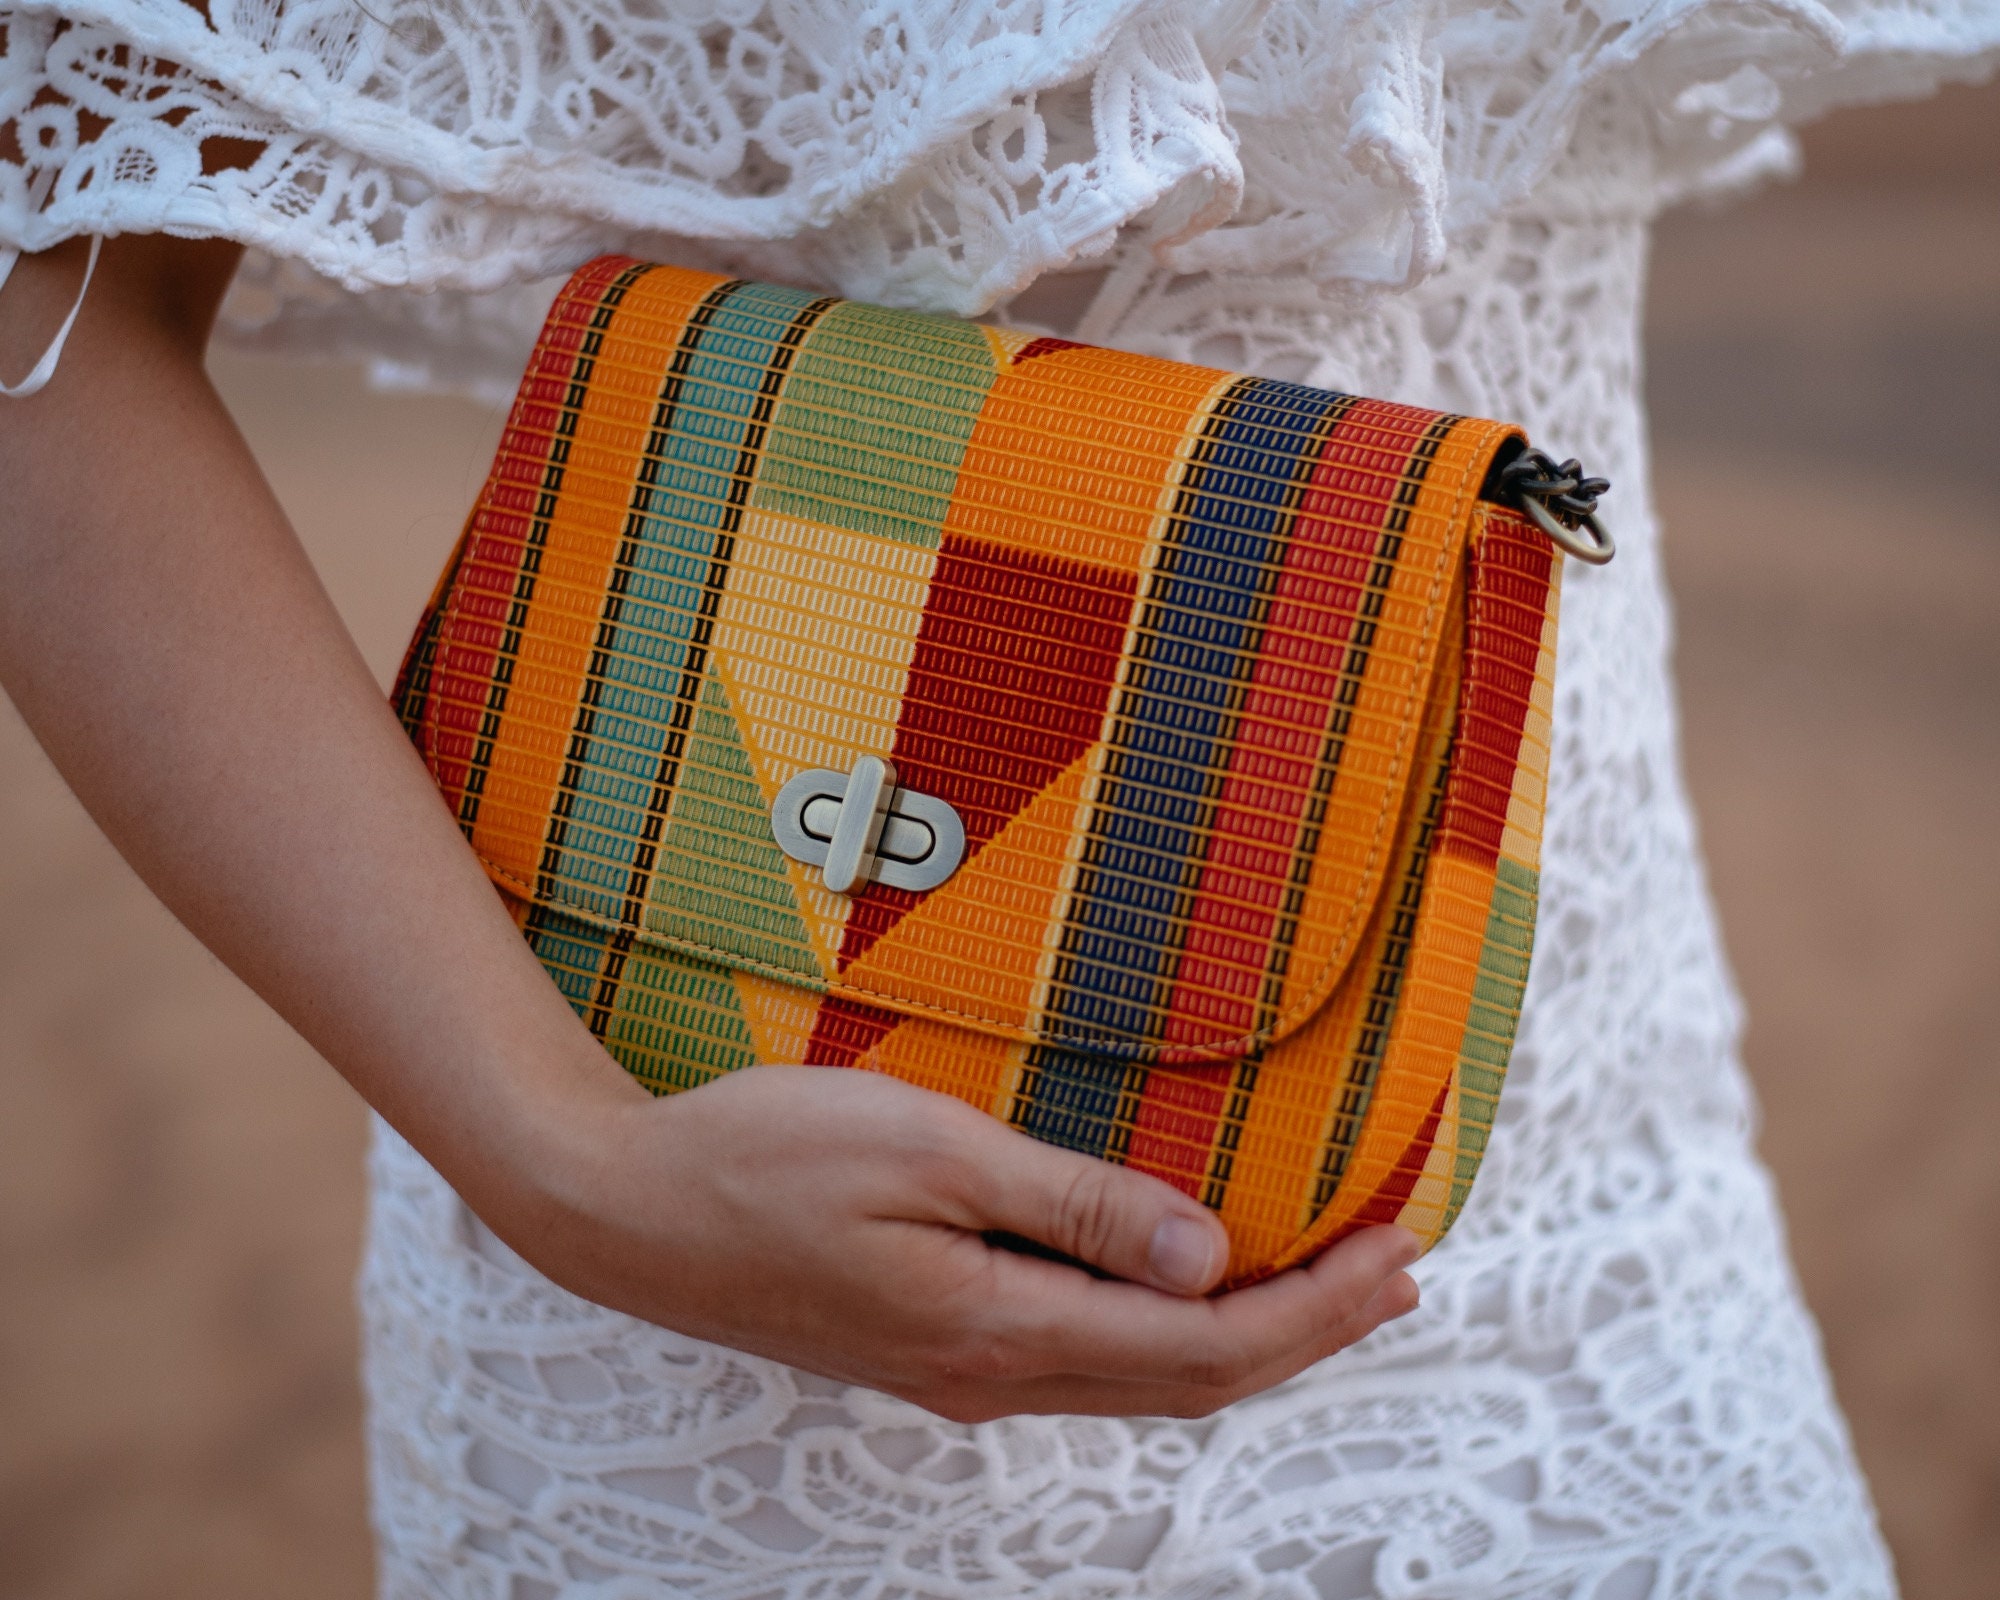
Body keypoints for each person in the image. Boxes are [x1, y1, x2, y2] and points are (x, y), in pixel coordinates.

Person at [1, 3, 1992, 1594]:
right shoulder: (606, 1183)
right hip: (684, 1216)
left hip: (1561, 1205)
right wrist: (560, 1166)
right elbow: (36, 302)